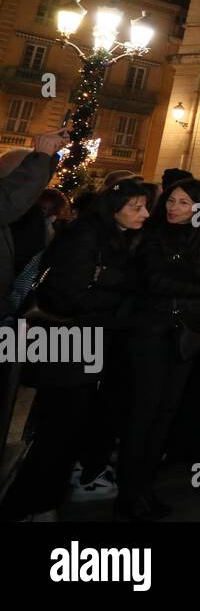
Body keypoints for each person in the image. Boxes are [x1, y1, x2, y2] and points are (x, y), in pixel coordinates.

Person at [0, 180, 150, 522]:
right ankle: (28, 505)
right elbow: (70, 294)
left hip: (83, 342)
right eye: (136, 207)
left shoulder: (112, 235)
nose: (144, 213)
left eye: (144, 206)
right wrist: (123, 302)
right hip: (67, 344)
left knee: (66, 430)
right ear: (113, 208)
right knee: (57, 430)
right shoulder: (86, 235)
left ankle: (42, 501)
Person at [122, 178, 200, 520]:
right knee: (144, 413)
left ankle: (144, 488)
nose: (174, 208)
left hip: (187, 335)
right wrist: (197, 279)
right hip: (152, 333)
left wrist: (185, 270)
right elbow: (155, 280)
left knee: (166, 412)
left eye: (184, 203)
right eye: (172, 201)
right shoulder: (152, 234)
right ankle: (129, 494)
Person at [0, 133, 66, 320]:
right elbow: (11, 201)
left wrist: (48, 156)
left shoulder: (31, 214)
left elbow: (25, 191)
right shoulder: (13, 207)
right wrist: (42, 157)